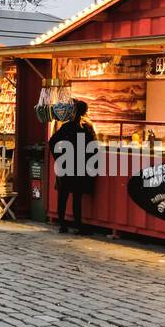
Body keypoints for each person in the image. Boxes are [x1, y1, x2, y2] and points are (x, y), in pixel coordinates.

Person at [48, 99, 97, 235]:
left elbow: (52, 141)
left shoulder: (66, 127)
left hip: (65, 165)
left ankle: (62, 224)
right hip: (79, 166)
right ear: (85, 112)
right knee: (77, 197)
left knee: (63, 196)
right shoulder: (87, 129)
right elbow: (93, 145)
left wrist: (59, 158)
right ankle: (77, 225)